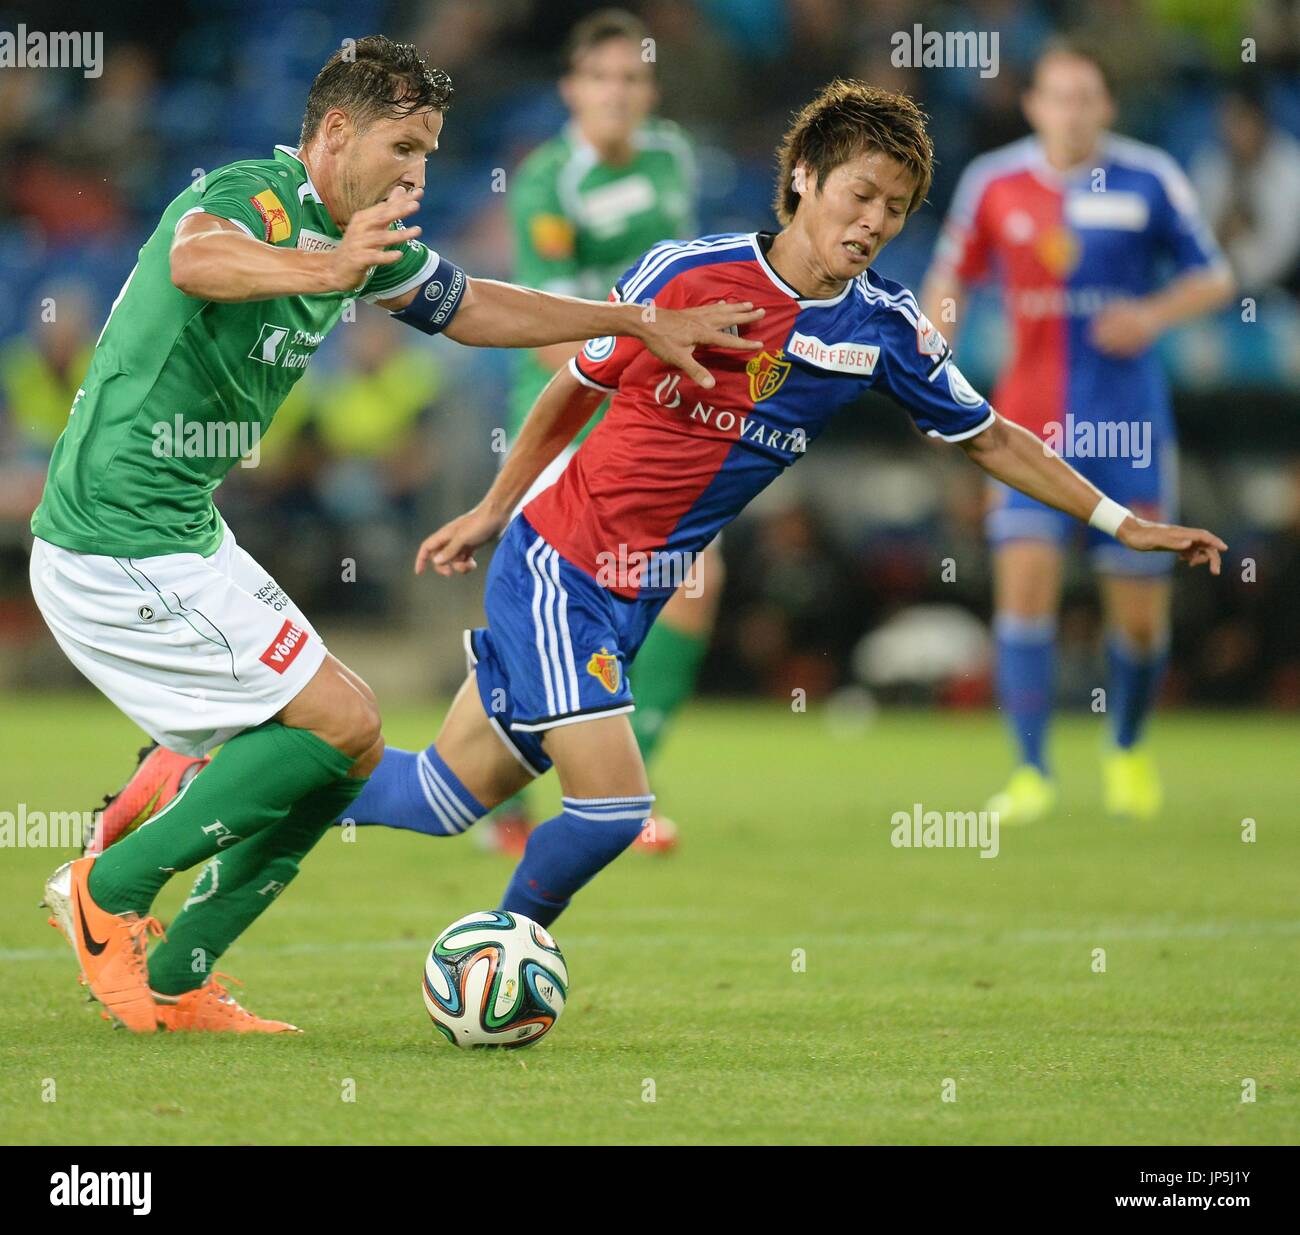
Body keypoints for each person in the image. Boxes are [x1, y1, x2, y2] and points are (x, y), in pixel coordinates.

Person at [326, 79, 1223, 928]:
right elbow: (576, 384)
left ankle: (204, 780)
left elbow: (989, 435)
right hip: (563, 561)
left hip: (633, 596)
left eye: (896, 209)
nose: (874, 223)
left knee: (437, 797)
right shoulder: (690, 272)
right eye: (860, 195)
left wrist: (1121, 521)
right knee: (612, 810)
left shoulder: (881, 329)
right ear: (803, 179)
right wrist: (493, 507)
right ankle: (503, 949)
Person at [32, 35, 761, 1035]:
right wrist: (326, 262)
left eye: (427, 156)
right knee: (341, 727)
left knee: (340, 745)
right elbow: (194, 256)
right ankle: (107, 888)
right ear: (336, 132)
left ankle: (179, 974)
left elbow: (470, 308)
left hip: (183, 531)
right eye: (404, 149)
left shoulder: (357, 241)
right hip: (111, 533)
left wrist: (629, 321)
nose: (418, 175)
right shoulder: (258, 199)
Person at [920, 41, 1234, 825]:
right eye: (1059, 97)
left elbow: (1216, 275)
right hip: (1028, 423)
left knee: (1138, 616)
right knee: (1024, 596)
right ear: (1034, 106)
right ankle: (1031, 770)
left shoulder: (1149, 175)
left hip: (1129, 428)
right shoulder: (994, 182)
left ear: (1107, 106)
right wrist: (933, 359)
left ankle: (1125, 746)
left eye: (1087, 96)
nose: (1073, 110)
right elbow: (950, 277)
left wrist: (1153, 314)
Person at [490, 8, 717, 855]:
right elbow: (546, 325)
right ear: (571, 90)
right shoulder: (548, 183)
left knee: (690, 582)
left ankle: (631, 791)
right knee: (554, 603)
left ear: (650, 91)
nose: (617, 94)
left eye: (632, 79)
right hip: (571, 399)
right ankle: (503, 793)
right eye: (602, 79)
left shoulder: (673, 158)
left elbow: (681, 285)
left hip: (651, 401)